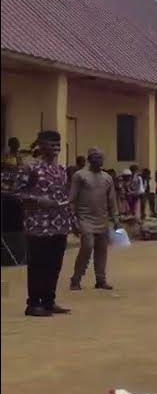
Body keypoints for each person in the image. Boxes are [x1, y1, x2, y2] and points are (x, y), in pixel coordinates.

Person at [12, 131, 77, 316]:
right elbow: (16, 193)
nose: (56, 147)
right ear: (41, 146)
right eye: (51, 143)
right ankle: (33, 303)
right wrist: (39, 200)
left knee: (54, 264)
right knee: (38, 265)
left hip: (60, 225)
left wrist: (72, 221)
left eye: (58, 144)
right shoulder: (30, 169)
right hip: (38, 226)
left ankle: (49, 301)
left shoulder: (62, 170)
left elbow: (65, 197)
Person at [68, 148, 121, 291]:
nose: (99, 160)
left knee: (102, 250)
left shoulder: (107, 178)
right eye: (96, 157)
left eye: (101, 157)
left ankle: (101, 280)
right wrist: (73, 220)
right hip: (84, 218)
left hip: (102, 218)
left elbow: (112, 200)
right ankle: (76, 278)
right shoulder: (80, 176)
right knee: (87, 246)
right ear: (89, 159)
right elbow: (72, 199)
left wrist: (115, 218)